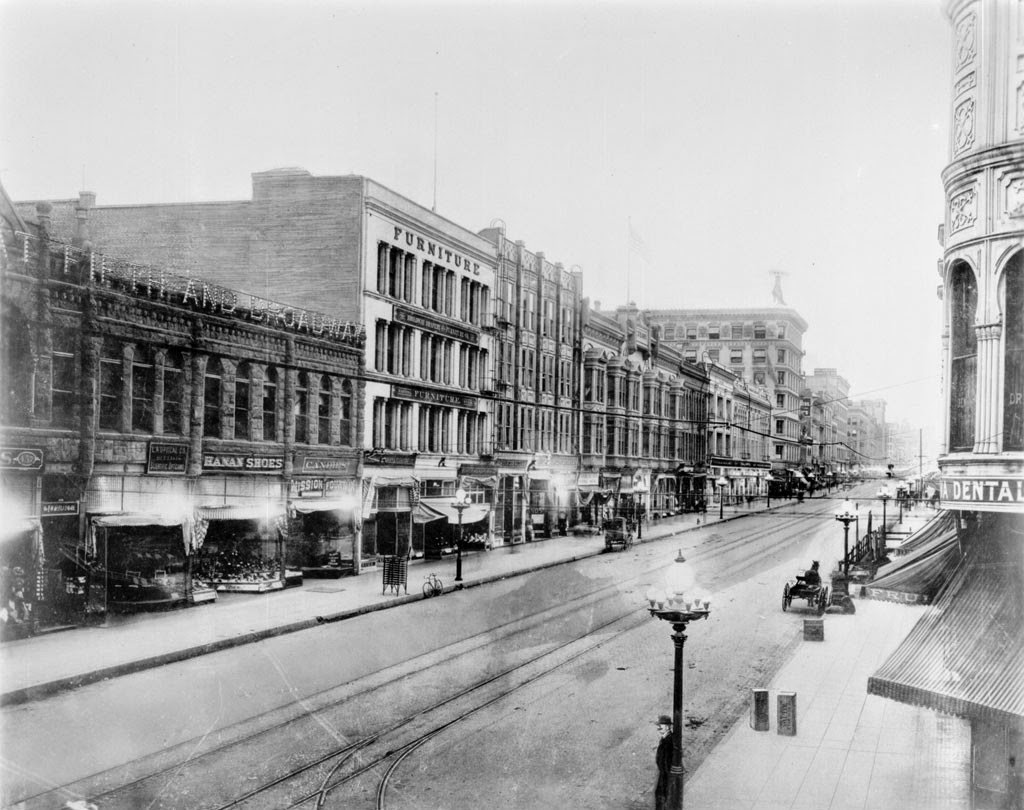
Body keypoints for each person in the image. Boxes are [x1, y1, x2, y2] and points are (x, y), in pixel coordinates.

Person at [654, 714, 673, 810]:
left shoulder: (669, 740)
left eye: (660, 725)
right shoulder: (665, 738)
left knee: (662, 795)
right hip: (664, 772)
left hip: (666, 774)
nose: (658, 727)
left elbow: (668, 760)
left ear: (668, 727)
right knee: (660, 795)